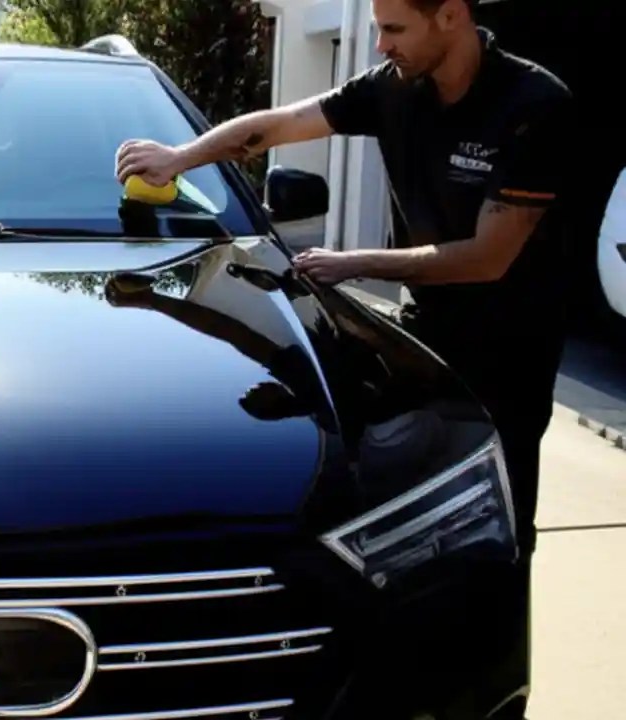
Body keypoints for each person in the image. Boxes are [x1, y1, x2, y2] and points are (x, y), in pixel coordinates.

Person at [115, 0, 573, 560]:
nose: (382, 45)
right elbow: (280, 125)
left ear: (451, 15)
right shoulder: (393, 86)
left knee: (493, 524)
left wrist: (353, 261)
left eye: (394, 29)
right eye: (379, 29)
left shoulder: (533, 106)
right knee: (396, 510)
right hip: (425, 331)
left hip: (511, 355)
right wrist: (180, 157)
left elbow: (485, 259)